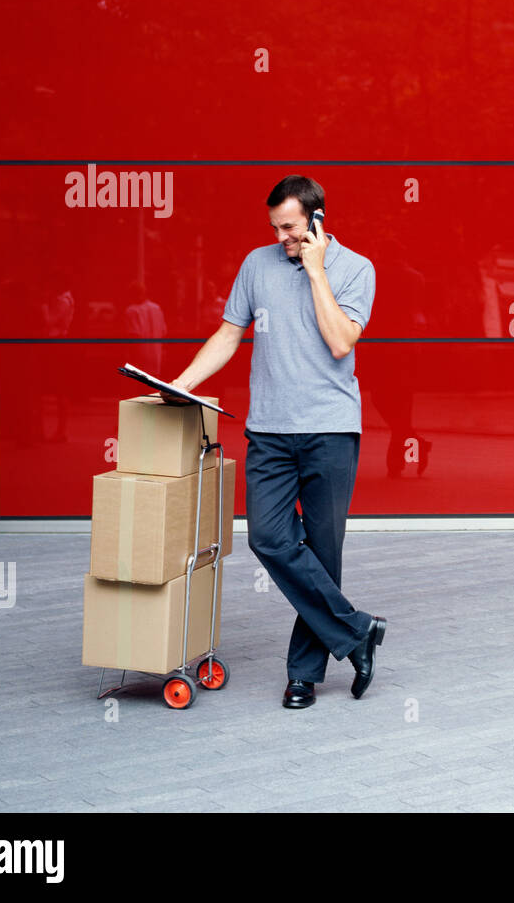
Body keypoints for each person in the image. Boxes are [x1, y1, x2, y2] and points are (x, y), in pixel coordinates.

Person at [162, 174, 386, 709]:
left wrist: (315, 272)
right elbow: (228, 334)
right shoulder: (255, 265)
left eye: (290, 227)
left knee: (324, 552)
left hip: (330, 428)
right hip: (268, 429)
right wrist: (182, 384)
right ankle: (358, 632)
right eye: (275, 227)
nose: (281, 236)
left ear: (317, 219)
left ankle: (303, 675)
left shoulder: (356, 269)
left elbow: (340, 341)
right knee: (268, 537)